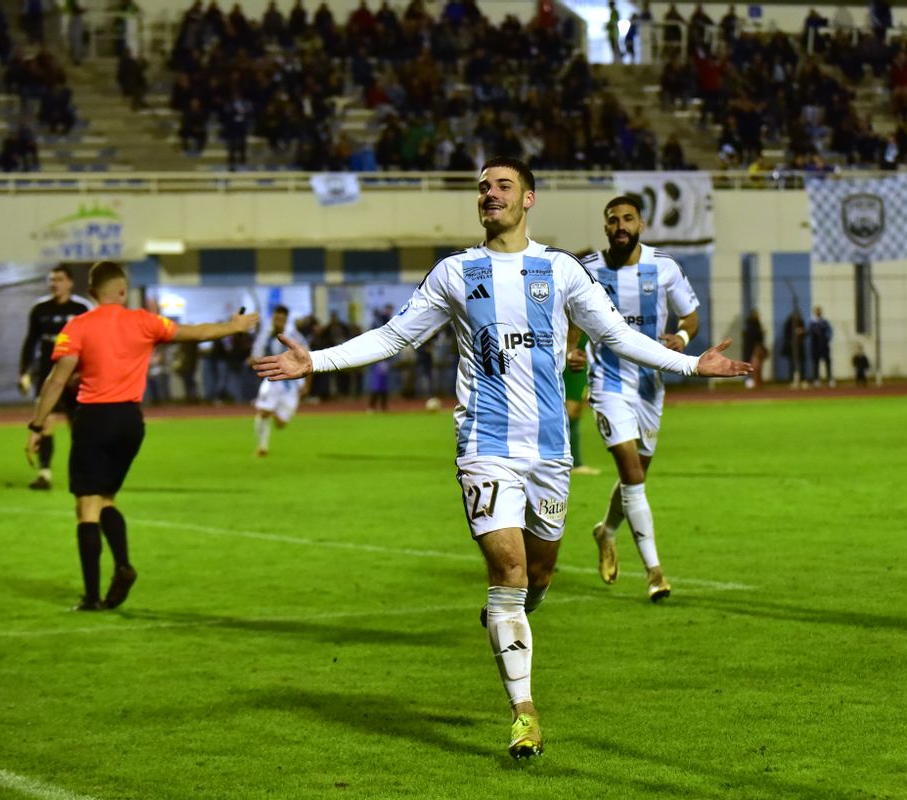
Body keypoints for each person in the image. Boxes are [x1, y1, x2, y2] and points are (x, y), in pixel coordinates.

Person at [253, 157, 750, 760]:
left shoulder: (561, 270)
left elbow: (616, 337)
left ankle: (506, 621)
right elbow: (395, 336)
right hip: (485, 447)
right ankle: (525, 713)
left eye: (502, 185)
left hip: (548, 451)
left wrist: (693, 364)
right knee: (510, 572)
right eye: (483, 187)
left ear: (529, 199)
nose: (490, 193)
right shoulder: (456, 272)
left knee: (537, 576)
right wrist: (318, 360)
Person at [24, 261, 259, 611]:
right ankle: (122, 566)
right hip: (131, 421)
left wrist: (37, 425)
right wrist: (233, 326)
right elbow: (194, 332)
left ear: (91, 293)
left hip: (94, 418)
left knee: (86, 505)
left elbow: (57, 379)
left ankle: (91, 597)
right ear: (123, 290)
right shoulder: (145, 322)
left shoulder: (78, 326)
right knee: (106, 499)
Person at [576, 195, 700, 603]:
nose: (620, 226)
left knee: (637, 476)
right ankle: (654, 572)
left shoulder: (663, 267)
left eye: (627, 218)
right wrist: (570, 350)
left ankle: (606, 530)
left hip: (650, 386)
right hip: (608, 383)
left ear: (641, 224)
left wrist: (681, 338)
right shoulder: (589, 270)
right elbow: (569, 316)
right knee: (631, 473)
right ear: (606, 227)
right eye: (612, 220)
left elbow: (690, 317)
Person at [18, 266, 93, 490]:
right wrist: (24, 372)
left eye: (59, 279)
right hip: (47, 376)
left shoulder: (81, 308)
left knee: (77, 426)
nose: (54, 284)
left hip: (75, 377)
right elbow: (30, 342)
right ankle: (45, 473)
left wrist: (84, 372)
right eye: (51, 280)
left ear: (70, 282)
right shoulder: (40, 309)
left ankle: (84, 473)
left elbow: (91, 343)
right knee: (45, 421)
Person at [253, 305, 307, 456]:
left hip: (291, 384)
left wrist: (306, 383)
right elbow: (256, 354)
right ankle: (262, 447)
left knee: (280, 424)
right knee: (263, 412)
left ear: (286, 320)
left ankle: (272, 410)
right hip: (272, 380)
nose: (278, 321)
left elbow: (308, 357)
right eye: (276, 318)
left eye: (281, 319)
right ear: (273, 318)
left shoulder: (294, 336)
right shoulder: (265, 334)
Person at [564, 331, 600, 476]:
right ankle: (566, 460)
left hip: (581, 354)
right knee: (570, 411)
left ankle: (575, 462)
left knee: (575, 411)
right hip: (572, 355)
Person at [808, 305, 834, 387]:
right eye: (817, 311)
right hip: (815, 346)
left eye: (819, 311)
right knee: (816, 363)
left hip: (824, 345)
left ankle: (830, 379)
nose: (818, 312)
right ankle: (816, 380)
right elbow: (809, 333)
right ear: (814, 312)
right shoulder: (812, 322)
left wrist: (828, 339)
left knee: (827, 362)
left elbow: (830, 331)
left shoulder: (825, 322)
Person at [781, 307, 806, 387]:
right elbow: (786, 334)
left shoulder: (801, 321)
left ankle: (802, 379)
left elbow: (805, 332)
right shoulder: (789, 322)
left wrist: (802, 332)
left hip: (800, 346)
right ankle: (792, 379)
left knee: (802, 363)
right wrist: (794, 333)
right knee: (792, 364)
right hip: (791, 347)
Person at [742, 308, 766, 389]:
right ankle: (755, 382)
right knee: (755, 367)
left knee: (756, 367)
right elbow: (756, 338)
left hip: (753, 349)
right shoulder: (753, 326)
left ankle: (757, 382)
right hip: (754, 350)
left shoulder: (750, 326)